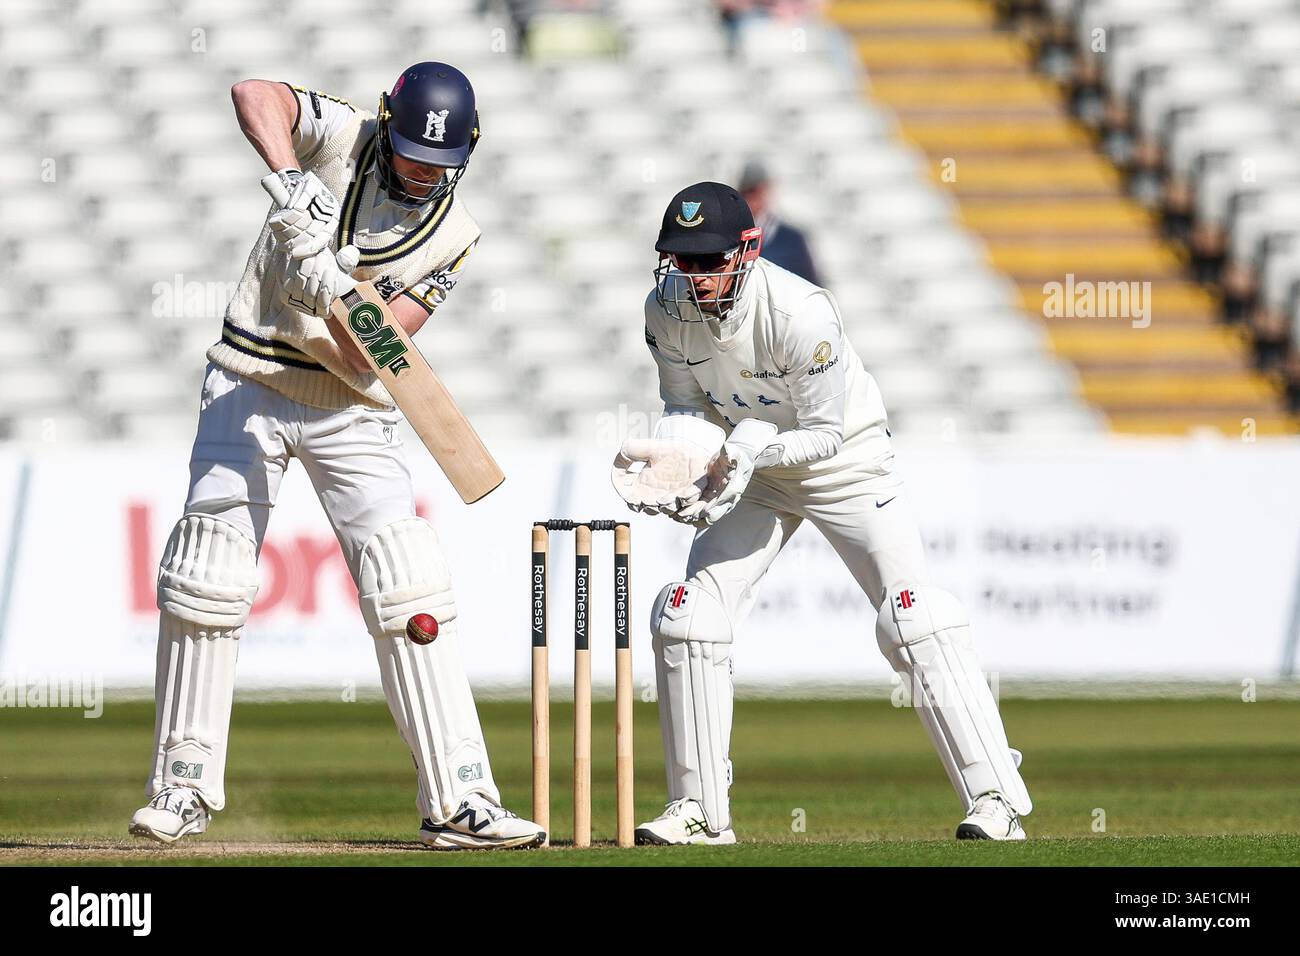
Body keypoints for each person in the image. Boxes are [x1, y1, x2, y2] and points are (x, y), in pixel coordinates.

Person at [128, 62, 545, 850]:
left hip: (350, 404)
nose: (424, 176)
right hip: (249, 375)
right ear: (387, 126)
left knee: (408, 584)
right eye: (413, 158)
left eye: (441, 166)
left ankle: (461, 800)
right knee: (206, 575)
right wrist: (291, 185)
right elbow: (253, 94)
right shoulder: (344, 134)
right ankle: (181, 786)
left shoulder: (454, 236)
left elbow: (375, 354)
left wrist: (331, 285)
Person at [611, 182, 1031, 843]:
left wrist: (749, 453)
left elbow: (826, 432)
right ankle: (699, 811)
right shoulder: (663, 309)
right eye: (681, 261)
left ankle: (996, 800)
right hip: (753, 468)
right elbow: (686, 407)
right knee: (689, 613)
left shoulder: (802, 312)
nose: (693, 277)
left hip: (844, 464)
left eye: (708, 261)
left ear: (747, 250)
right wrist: (686, 460)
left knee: (915, 618)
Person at [737, 159, 821, 285]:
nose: (752, 197)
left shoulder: (792, 240)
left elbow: (812, 287)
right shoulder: (732, 236)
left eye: (756, 190)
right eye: (748, 190)